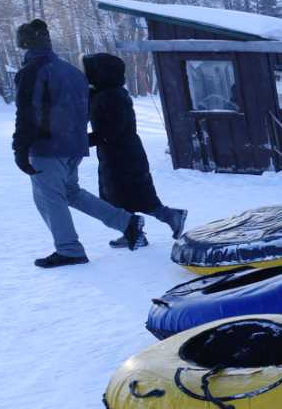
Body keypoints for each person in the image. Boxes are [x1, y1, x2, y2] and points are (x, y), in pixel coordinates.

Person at [12, 19, 141, 267]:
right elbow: (82, 109)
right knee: (70, 192)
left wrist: (20, 148)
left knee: (49, 198)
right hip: (73, 145)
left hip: (47, 146)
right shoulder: (71, 71)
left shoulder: (32, 71)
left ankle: (69, 249)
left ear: (26, 44)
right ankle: (126, 222)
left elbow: (27, 112)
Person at [84, 53, 186, 243]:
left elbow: (111, 130)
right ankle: (134, 233)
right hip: (118, 153)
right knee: (123, 195)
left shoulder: (109, 97)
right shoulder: (106, 94)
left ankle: (169, 217)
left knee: (132, 195)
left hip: (122, 155)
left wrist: (82, 141)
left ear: (101, 74)